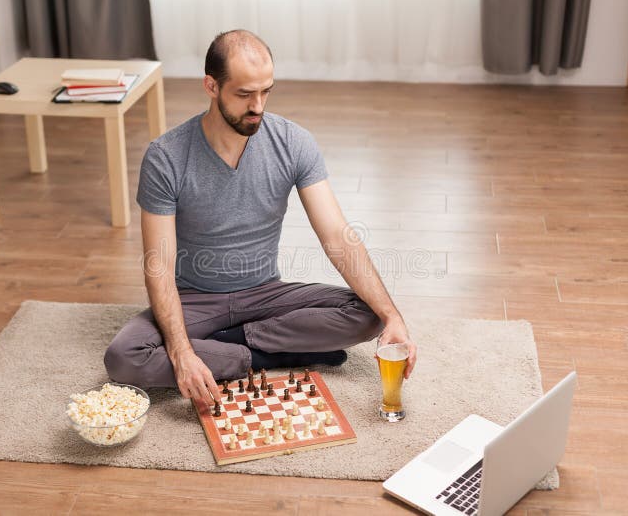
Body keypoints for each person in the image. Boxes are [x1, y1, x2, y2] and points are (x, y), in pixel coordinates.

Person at [104, 29, 416, 404]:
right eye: (244, 94)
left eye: (266, 91)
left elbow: (337, 235)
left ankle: (223, 346)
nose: (258, 106)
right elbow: (159, 266)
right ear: (211, 86)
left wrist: (393, 316)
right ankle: (268, 354)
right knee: (123, 359)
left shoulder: (293, 142)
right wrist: (182, 352)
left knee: (370, 313)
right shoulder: (166, 157)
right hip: (196, 299)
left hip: (265, 293)